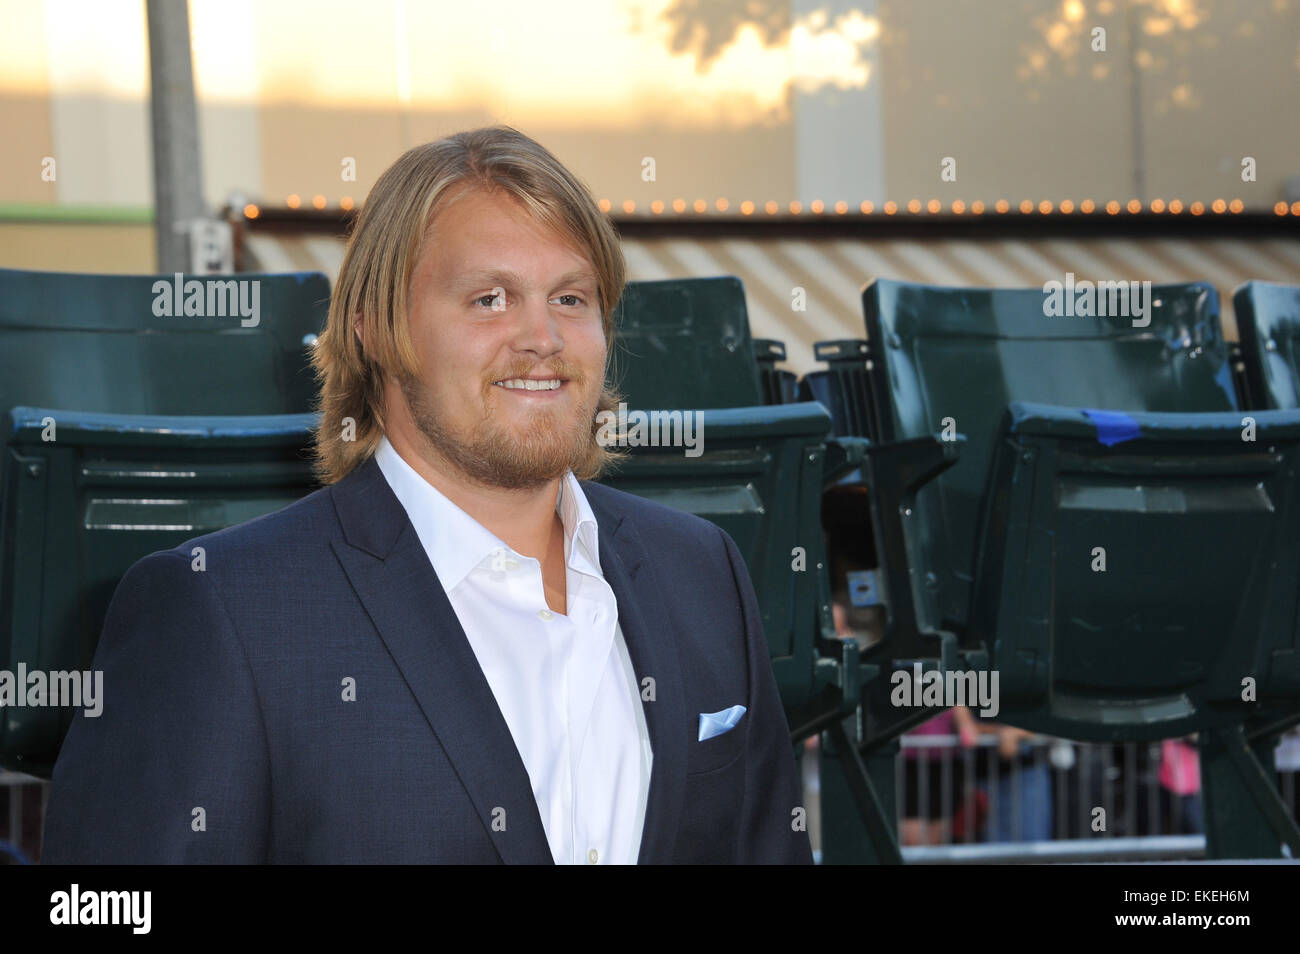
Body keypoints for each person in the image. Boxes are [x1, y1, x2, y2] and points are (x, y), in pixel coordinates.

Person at [41, 125, 812, 865]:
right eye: (490, 299)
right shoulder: (220, 611)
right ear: (374, 328)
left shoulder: (702, 570)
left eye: (571, 298)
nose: (542, 337)